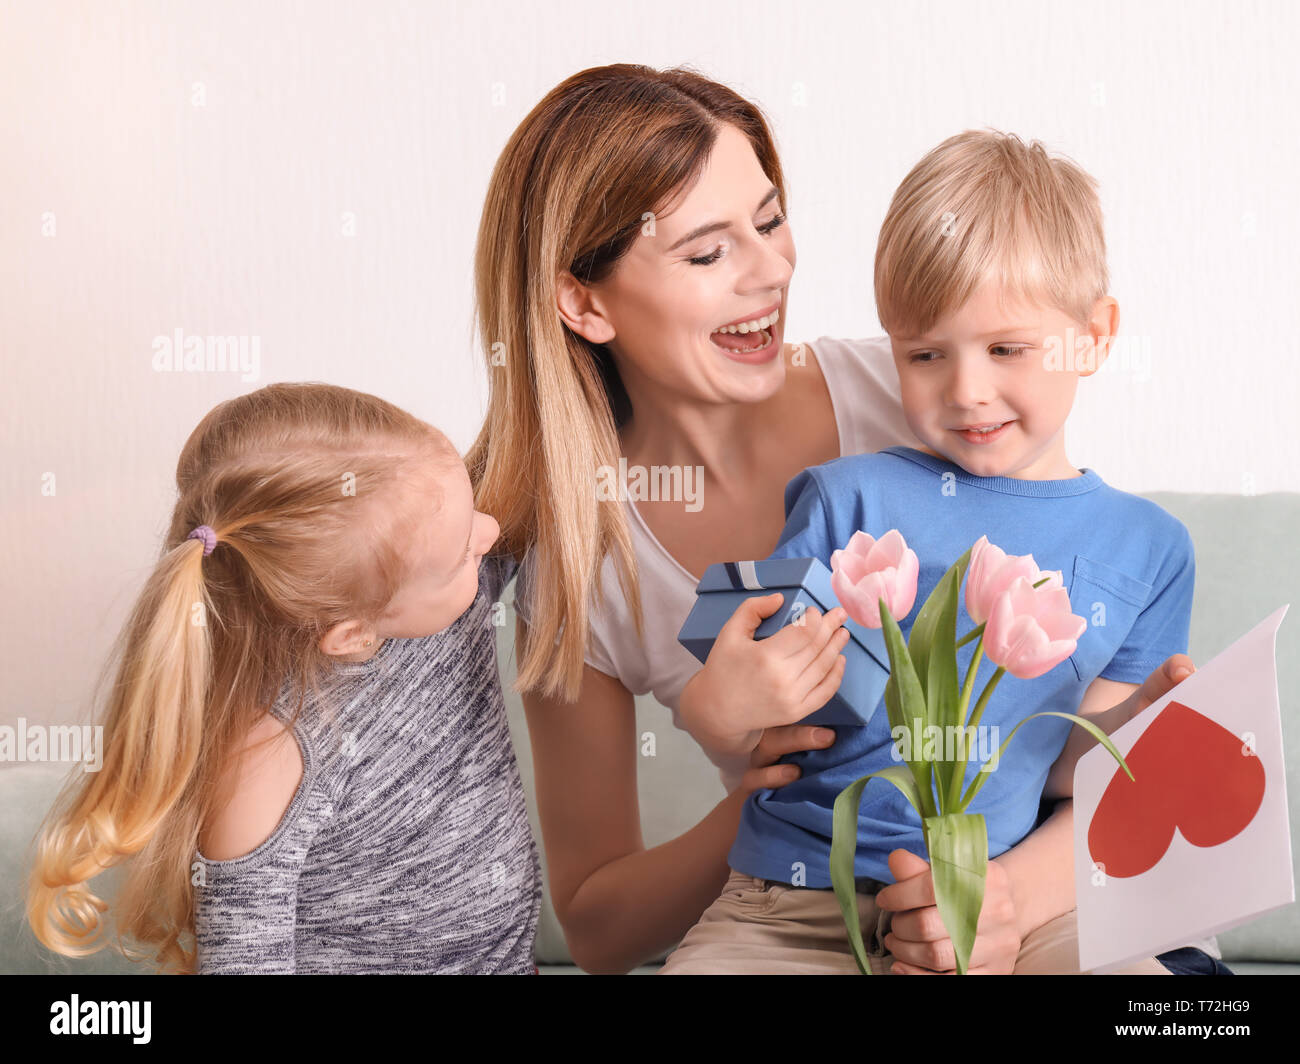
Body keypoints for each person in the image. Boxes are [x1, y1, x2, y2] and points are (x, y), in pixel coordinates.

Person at [467, 64, 1199, 974]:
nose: (773, 271)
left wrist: (1002, 886)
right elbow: (601, 929)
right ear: (583, 300)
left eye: (770, 221)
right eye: (708, 252)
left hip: (1039, 886)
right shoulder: (579, 564)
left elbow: (1081, 627)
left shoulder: (926, 393)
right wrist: (751, 761)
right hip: (806, 899)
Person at [662, 130, 1223, 974]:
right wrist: (723, 702)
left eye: (1006, 349)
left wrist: (1125, 730)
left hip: (1006, 904)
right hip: (795, 901)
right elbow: (780, 715)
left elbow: (1066, 772)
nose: (965, 390)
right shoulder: (846, 497)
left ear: (1095, 335)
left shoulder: (1148, 548)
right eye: (925, 354)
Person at [27, 382, 540, 973]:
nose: (493, 532)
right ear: (352, 634)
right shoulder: (269, 759)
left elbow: (551, 451)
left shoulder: (436, 593)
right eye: (464, 554)